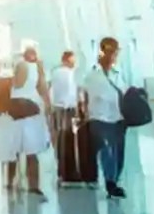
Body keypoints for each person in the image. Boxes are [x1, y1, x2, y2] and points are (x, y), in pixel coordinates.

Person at [84, 37, 129, 199]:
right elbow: (84, 94)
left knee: (118, 153)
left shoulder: (118, 73)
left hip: (118, 118)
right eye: (108, 51)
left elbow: (124, 91)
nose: (112, 55)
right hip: (99, 118)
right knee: (106, 150)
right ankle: (110, 183)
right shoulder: (92, 74)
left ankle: (114, 179)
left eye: (114, 51)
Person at [6, 45, 52, 197]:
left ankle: (10, 181)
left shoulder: (21, 66)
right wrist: (48, 106)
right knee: (32, 151)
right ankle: (34, 185)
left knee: (15, 149)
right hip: (32, 109)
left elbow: (16, 84)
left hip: (17, 109)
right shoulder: (38, 70)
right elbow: (43, 90)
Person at [49, 51, 78, 141]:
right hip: (69, 108)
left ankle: (58, 153)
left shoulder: (54, 72)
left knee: (58, 134)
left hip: (57, 107)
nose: (74, 64)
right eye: (72, 62)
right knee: (69, 136)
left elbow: (49, 88)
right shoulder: (71, 73)